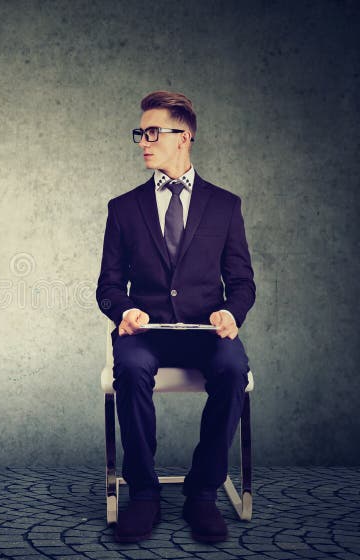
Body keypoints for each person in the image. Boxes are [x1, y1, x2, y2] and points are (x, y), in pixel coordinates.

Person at [95, 91, 255, 543]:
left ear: (184, 137)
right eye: (141, 133)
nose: (143, 142)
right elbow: (108, 286)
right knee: (130, 367)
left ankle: (202, 492)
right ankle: (144, 494)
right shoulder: (123, 208)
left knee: (233, 369)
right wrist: (125, 310)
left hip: (206, 332)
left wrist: (231, 312)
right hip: (145, 334)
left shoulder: (225, 206)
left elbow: (242, 281)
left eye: (153, 133)